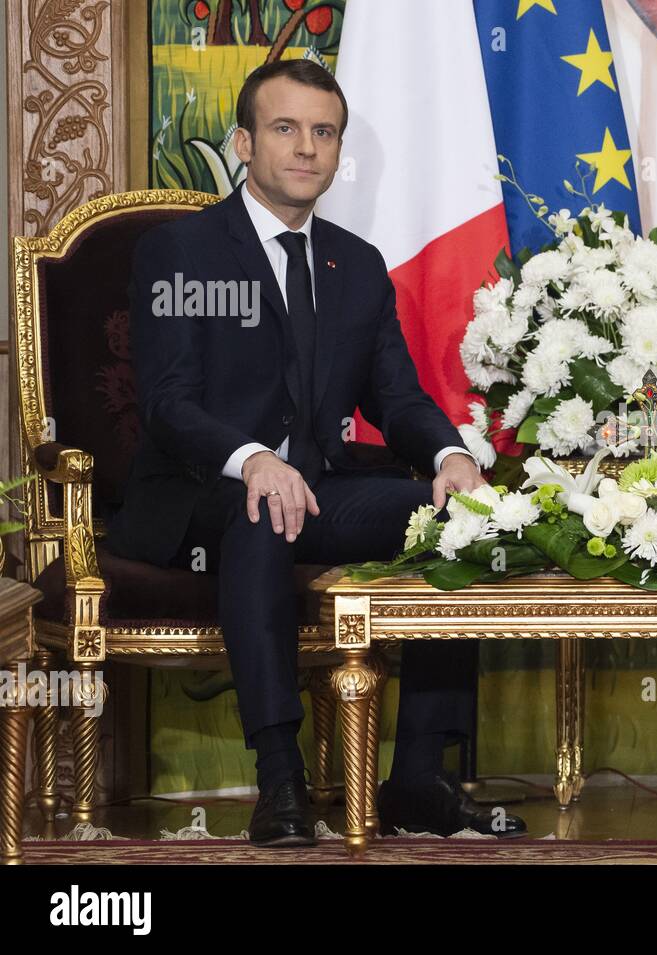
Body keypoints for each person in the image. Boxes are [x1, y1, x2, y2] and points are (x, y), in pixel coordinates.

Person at [107, 59, 525, 846]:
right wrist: (254, 457)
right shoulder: (181, 252)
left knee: (464, 520)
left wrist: (448, 456)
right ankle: (281, 778)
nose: (307, 148)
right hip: (200, 493)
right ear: (243, 141)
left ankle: (420, 776)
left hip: (319, 489)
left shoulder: (355, 264)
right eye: (285, 128)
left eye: (323, 132)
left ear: (338, 150)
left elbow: (395, 399)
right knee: (265, 507)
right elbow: (168, 401)